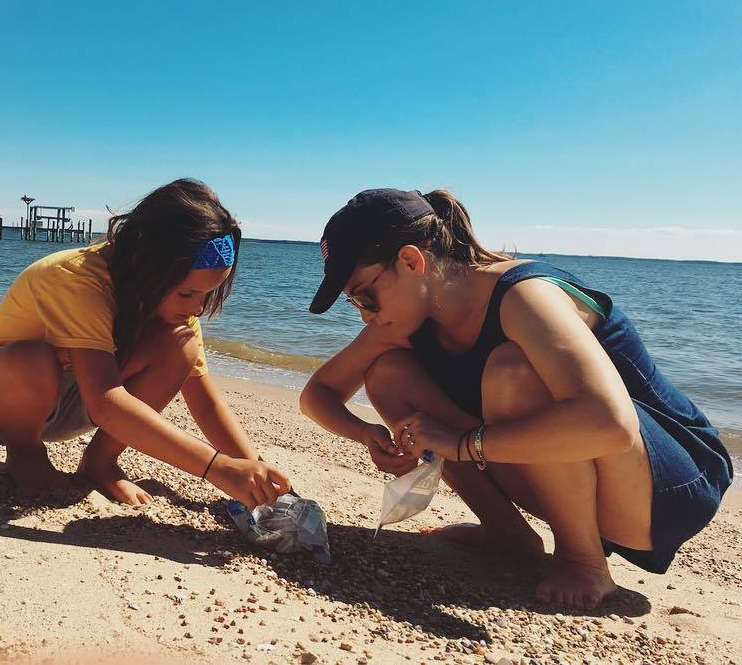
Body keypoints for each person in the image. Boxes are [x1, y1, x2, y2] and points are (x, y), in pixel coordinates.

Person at [299, 188, 732, 609]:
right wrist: (366, 433)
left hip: (671, 490)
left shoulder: (524, 294)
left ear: (411, 261)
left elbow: (610, 423)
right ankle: (508, 534)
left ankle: (583, 560)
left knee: (513, 372)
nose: (364, 313)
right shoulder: (410, 318)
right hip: (583, 481)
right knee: (389, 374)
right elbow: (318, 393)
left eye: (363, 295)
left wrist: (461, 443)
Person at [0, 178, 290, 510]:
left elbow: (205, 404)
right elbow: (104, 402)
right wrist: (216, 468)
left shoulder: (173, 307)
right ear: (145, 263)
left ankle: (100, 463)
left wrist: (257, 473)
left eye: (206, 295)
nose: (197, 308)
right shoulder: (76, 277)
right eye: (187, 293)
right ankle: (25, 454)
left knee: (180, 345)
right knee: (33, 360)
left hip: (81, 399)